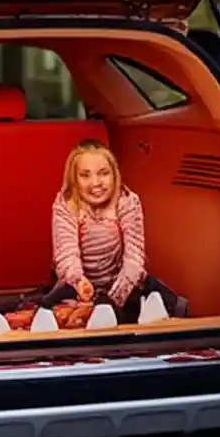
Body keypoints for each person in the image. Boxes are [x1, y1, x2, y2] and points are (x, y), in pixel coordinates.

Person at [49, 138, 189, 323]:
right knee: (56, 310)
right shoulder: (66, 206)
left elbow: (134, 258)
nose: (96, 183)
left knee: (161, 299)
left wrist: (115, 297)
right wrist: (79, 282)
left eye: (103, 173)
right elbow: (66, 255)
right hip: (79, 287)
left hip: (123, 283)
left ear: (114, 175)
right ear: (74, 180)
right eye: (85, 175)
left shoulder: (127, 202)